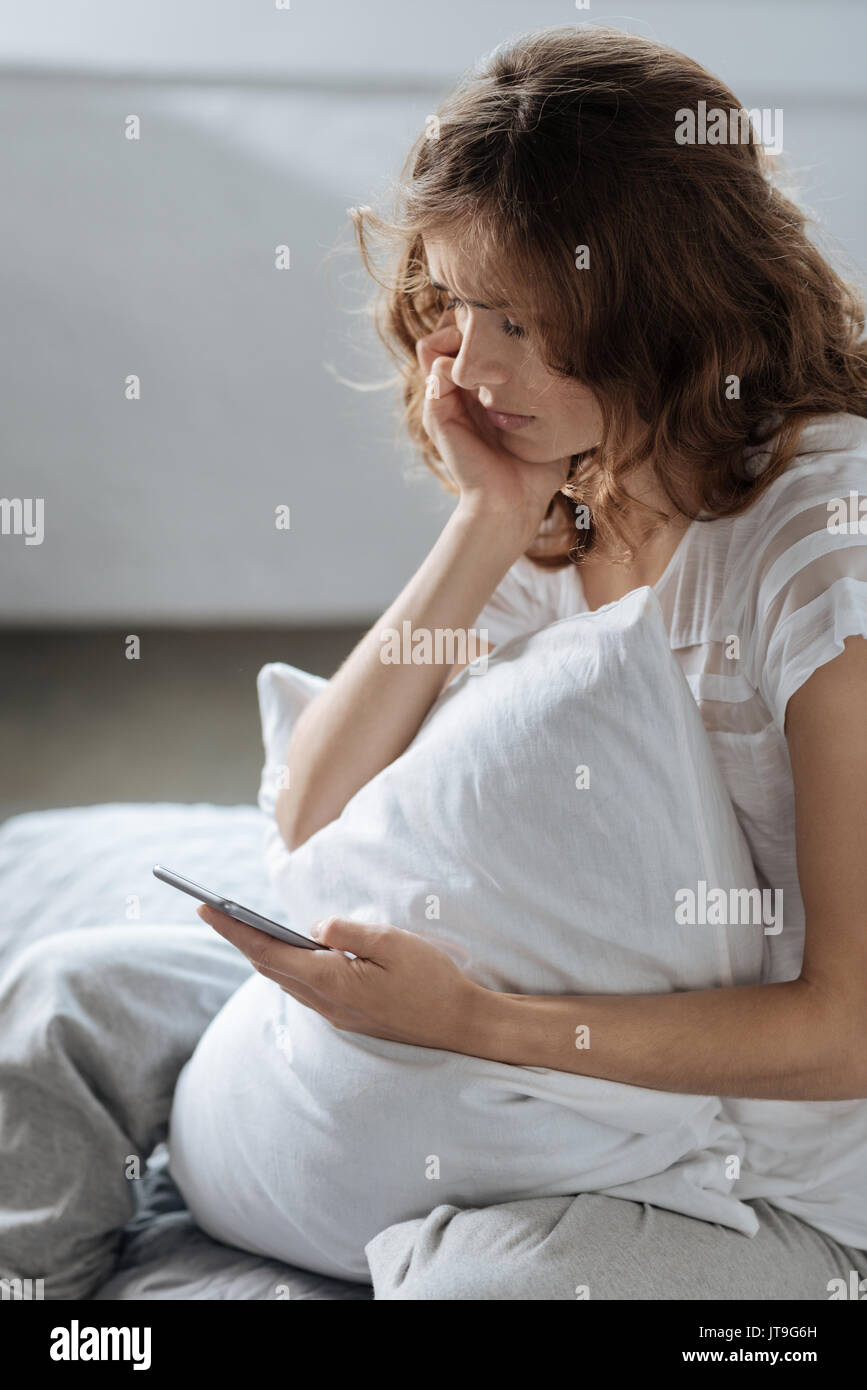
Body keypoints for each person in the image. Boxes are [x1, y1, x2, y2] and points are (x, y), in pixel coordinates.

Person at [1, 25, 865, 1300]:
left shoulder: (818, 548)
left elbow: (848, 1027)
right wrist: (489, 520)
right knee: (73, 995)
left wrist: (477, 1027)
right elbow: (304, 815)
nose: (465, 362)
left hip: (753, 1153)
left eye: (519, 318)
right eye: (455, 303)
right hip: (481, 1013)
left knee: (496, 1292)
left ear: (659, 300)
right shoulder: (580, 484)